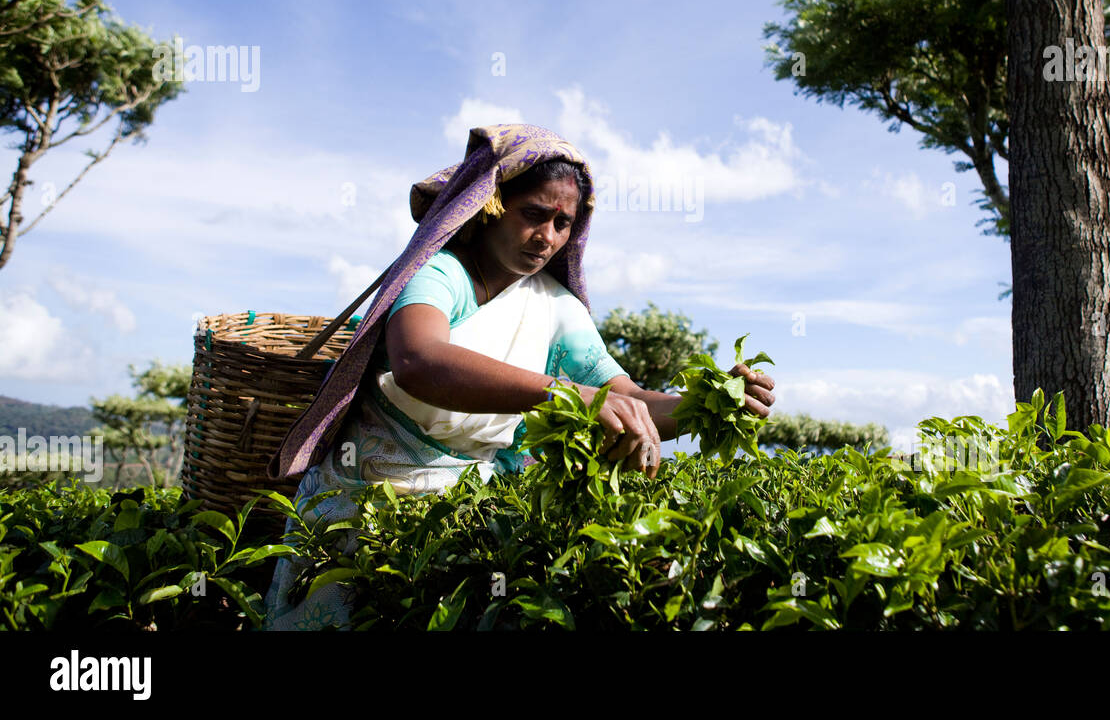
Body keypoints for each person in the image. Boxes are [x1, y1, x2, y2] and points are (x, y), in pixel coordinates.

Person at [262, 123, 776, 629]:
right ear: (490, 207)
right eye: (534, 214)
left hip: (459, 526)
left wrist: (712, 401)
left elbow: (628, 399)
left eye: (563, 223)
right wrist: (565, 393)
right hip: (359, 517)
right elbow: (418, 359)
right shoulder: (443, 275)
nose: (547, 237)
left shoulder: (555, 308)